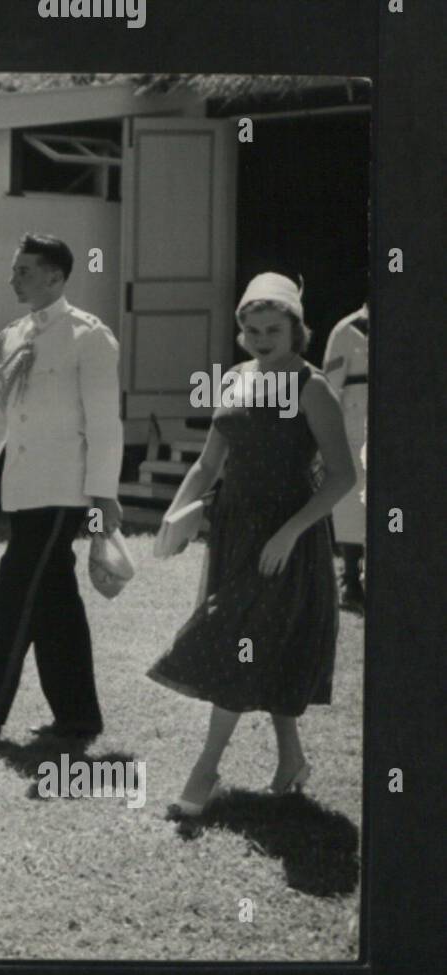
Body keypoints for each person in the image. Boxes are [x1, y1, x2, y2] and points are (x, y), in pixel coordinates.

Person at [148, 273, 356, 818]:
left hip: (287, 537)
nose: (262, 338)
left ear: (296, 329)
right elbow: (207, 463)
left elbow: (342, 476)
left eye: (274, 328)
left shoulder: (313, 387)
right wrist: (176, 513)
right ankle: (291, 760)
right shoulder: (237, 379)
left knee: (233, 632)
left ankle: (204, 771)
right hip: (234, 530)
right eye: (253, 329)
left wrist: (291, 532)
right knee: (260, 639)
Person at [0, 233, 123, 748]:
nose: (13, 279)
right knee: (53, 604)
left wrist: (104, 494)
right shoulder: (9, 337)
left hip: (66, 493)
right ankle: (79, 718)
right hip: (23, 492)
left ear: (56, 277)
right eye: (14, 269)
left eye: (24, 271)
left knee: (13, 594)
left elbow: (106, 423)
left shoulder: (90, 337)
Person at [322, 302, 369, 613]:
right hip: (355, 431)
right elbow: (329, 386)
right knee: (352, 502)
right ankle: (350, 580)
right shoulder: (347, 330)